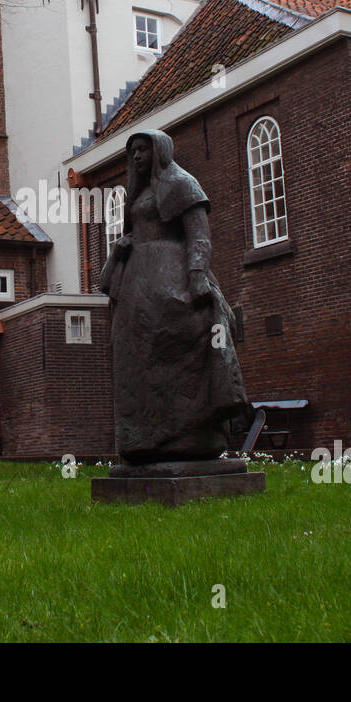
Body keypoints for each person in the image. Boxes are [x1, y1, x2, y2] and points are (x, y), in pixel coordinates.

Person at [99, 129, 249, 464]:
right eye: (133, 151)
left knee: (180, 349)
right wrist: (122, 249)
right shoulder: (136, 194)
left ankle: (190, 435)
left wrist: (196, 277)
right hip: (138, 285)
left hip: (173, 278)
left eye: (143, 150)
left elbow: (199, 237)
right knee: (136, 357)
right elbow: (130, 232)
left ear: (159, 151)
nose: (137, 156)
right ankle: (143, 439)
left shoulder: (183, 184)